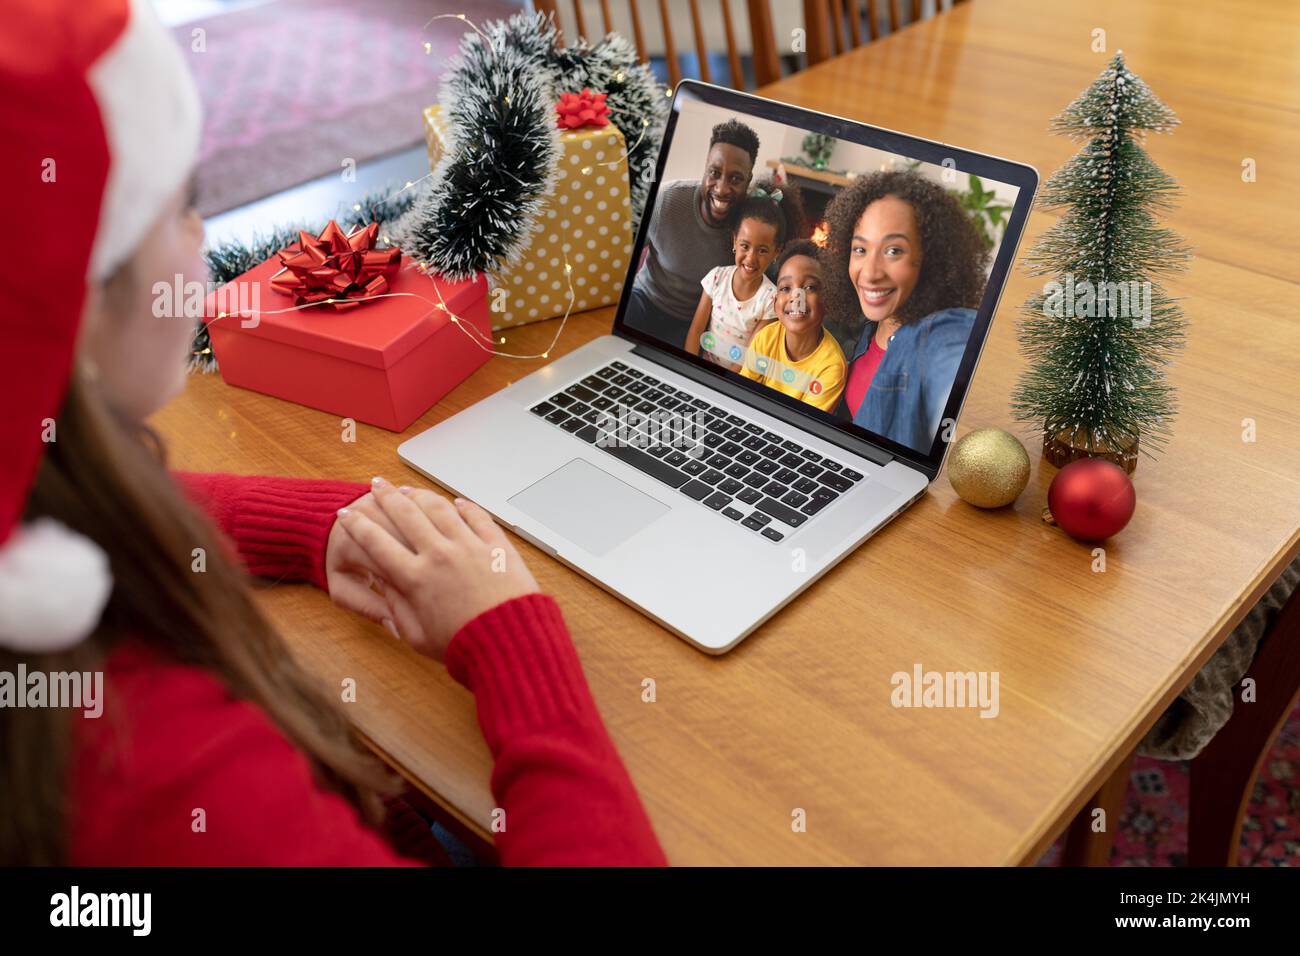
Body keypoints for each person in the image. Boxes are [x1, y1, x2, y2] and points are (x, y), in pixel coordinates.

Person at [0, 0, 665, 867]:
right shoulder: (170, 783)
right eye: (182, 206)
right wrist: (513, 638)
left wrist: (321, 525)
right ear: (71, 303)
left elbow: (99, 504)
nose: (202, 236)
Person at [821, 170, 990, 451]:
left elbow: (951, 360)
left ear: (930, 258)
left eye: (893, 251)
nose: (871, 273)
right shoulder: (861, 331)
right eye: (860, 250)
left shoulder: (940, 332)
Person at [623, 118, 760, 347]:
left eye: (736, 179)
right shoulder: (666, 200)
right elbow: (626, 254)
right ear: (705, 168)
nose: (722, 188)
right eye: (714, 172)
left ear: (749, 182)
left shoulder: (748, 226)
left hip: (690, 322)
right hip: (645, 299)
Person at [683, 181, 800, 372]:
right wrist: (688, 368)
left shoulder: (770, 299)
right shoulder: (716, 278)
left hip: (735, 378)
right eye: (745, 246)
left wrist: (725, 382)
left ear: (776, 252)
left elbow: (750, 356)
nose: (751, 258)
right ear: (734, 241)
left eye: (762, 250)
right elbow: (696, 330)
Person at [739, 240, 847, 413]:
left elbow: (805, 425)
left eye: (810, 287)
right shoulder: (765, 338)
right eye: (785, 288)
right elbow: (742, 394)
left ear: (828, 301)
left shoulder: (831, 366)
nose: (796, 297)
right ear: (775, 303)